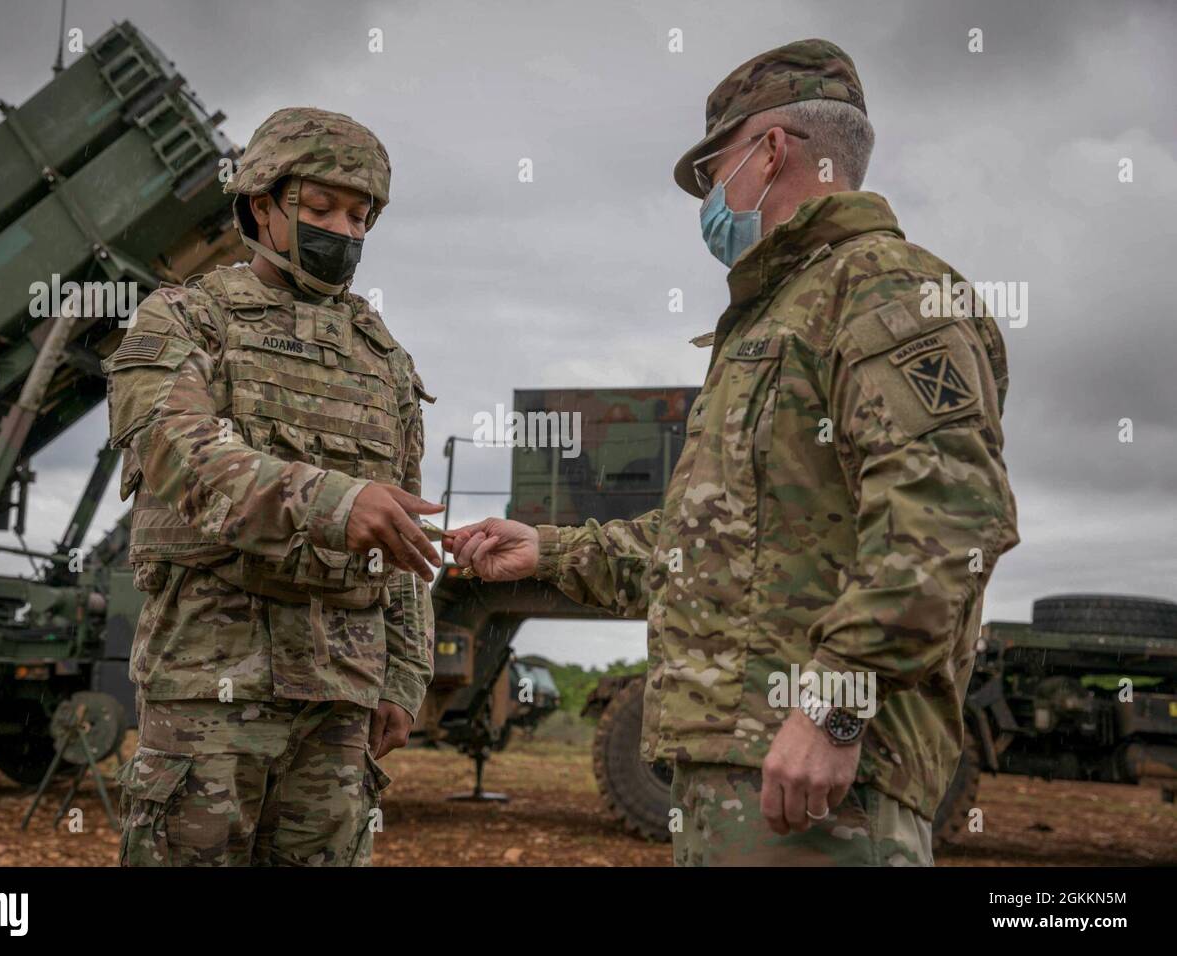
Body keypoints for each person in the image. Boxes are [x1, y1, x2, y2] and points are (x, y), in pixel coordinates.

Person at [446, 39, 1018, 866]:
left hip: (821, 792)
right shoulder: (774, 316)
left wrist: (834, 707)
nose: (708, 201)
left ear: (770, 150)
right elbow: (707, 550)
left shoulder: (882, 289)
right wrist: (550, 548)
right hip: (741, 782)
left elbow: (952, 517)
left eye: (712, 173)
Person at [103, 107, 441, 866]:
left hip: (339, 700)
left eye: (360, 216)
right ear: (262, 205)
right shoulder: (185, 320)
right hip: (210, 689)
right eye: (320, 209)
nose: (344, 232)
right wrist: (333, 501)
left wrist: (404, 677)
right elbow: (180, 451)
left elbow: (406, 539)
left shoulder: (383, 361)